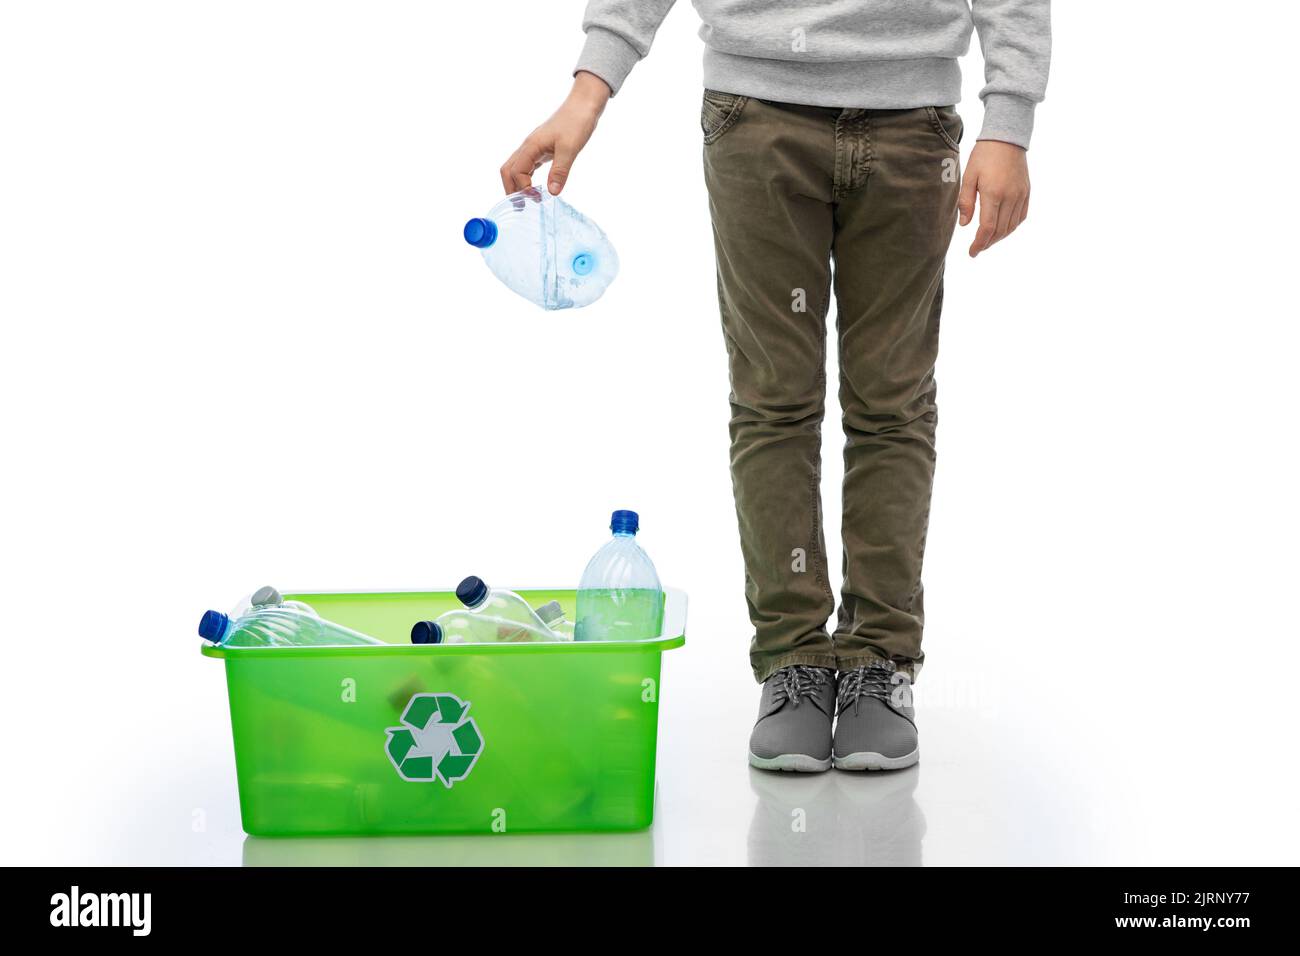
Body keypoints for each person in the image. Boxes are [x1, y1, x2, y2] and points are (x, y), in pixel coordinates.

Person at [501, 2, 1051, 772]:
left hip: (913, 119)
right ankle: (792, 659)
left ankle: (879, 664)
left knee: (891, 402)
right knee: (772, 401)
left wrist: (1009, 117)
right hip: (755, 113)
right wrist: (591, 86)